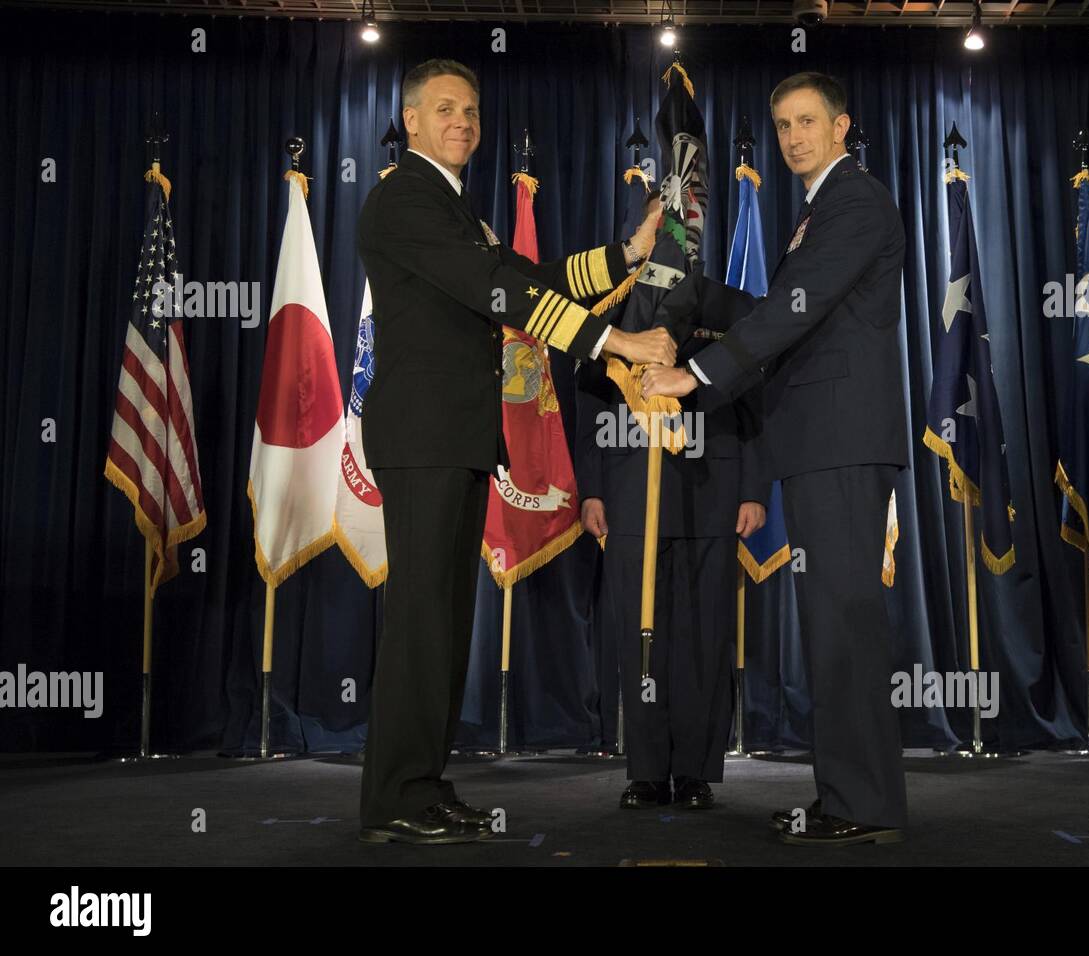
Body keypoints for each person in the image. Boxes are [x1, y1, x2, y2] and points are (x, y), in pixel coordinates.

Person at [355, 58, 673, 846]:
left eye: (471, 111)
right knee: (422, 623)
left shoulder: (458, 209)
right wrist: (617, 340)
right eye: (445, 109)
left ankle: (421, 785)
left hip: (456, 438)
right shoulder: (403, 199)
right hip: (424, 437)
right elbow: (500, 293)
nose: (463, 121)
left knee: (444, 623)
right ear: (413, 122)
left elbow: (527, 275)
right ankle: (394, 794)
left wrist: (624, 256)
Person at [641, 71, 909, 847]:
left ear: (840, 126)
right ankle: (852, 796)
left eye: (805, 122)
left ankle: (861, 803)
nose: (792, 137)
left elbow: (796, 310)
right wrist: (701, 297)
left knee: (846, 625)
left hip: (843, 442)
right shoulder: (819, 210)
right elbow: (780, 310)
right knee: (835, 623)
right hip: (824, 442)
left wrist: (692, 375)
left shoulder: (853, 199)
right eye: (782, 124)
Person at [575, 271, 768, 812]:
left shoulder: (724, 308)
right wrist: (592, 490)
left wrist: (753, 489)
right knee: (641, 639)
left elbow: (754, 398)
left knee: (705, 639)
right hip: (631, 495)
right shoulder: (616, 312)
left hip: (714, 493)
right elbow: (590, 408)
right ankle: (646, 771)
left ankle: (696, 771)